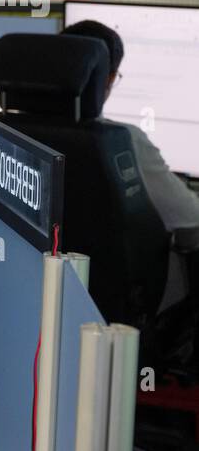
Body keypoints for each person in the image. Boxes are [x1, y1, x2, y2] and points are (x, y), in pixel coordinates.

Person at [63, 19, 199, 308]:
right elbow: (190, 219)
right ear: (109, 79)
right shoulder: (121, 142)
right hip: (113, 310)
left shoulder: (8, 134)